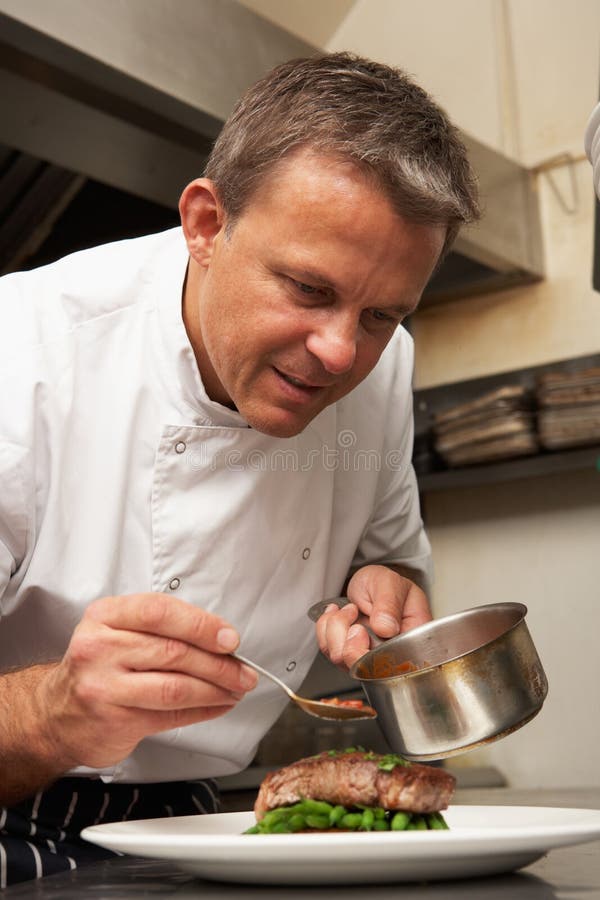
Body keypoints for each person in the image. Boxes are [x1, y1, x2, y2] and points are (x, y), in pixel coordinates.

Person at [0, 51, 479, 884]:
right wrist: (54, 714)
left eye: (380, 314)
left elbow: (385, 554)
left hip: (208, 821)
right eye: (304, 288)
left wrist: (375, 590)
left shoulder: (386, 367)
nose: (340, 351)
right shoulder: (24, 356)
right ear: (206, 225)